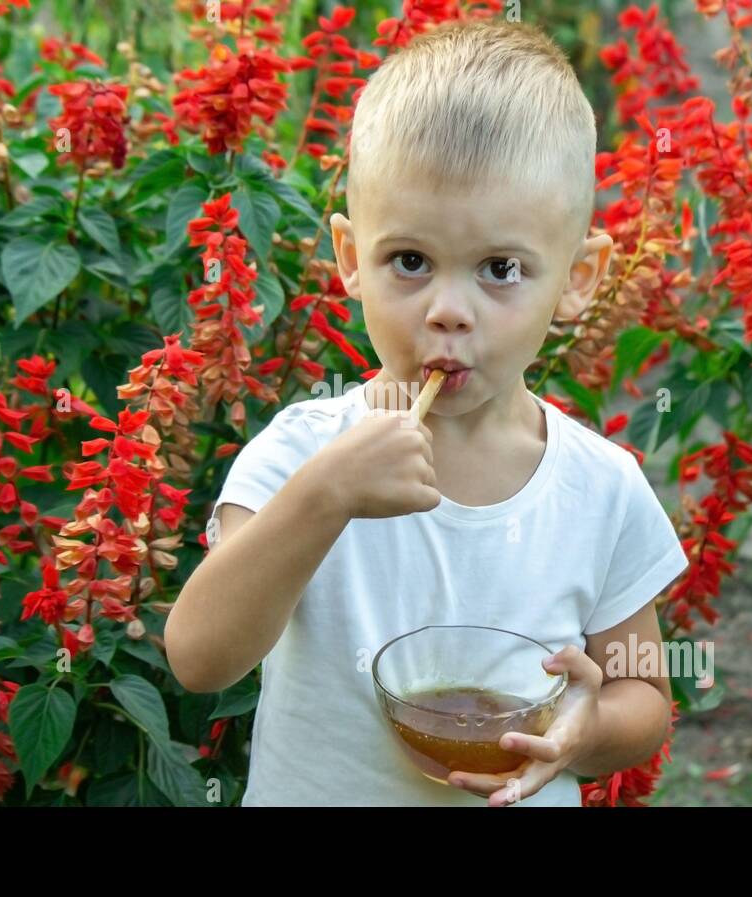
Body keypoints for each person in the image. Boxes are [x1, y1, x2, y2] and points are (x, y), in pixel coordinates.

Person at [166, 20, 689, 807]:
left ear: (579, 280)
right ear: (350, 259)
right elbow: (199, 657)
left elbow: (643, 702)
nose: (449, 309)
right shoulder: (302, 453)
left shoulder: (601, 488)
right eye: (409, 261)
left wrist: (587, 725)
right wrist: (326, 495)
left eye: (500, 269)